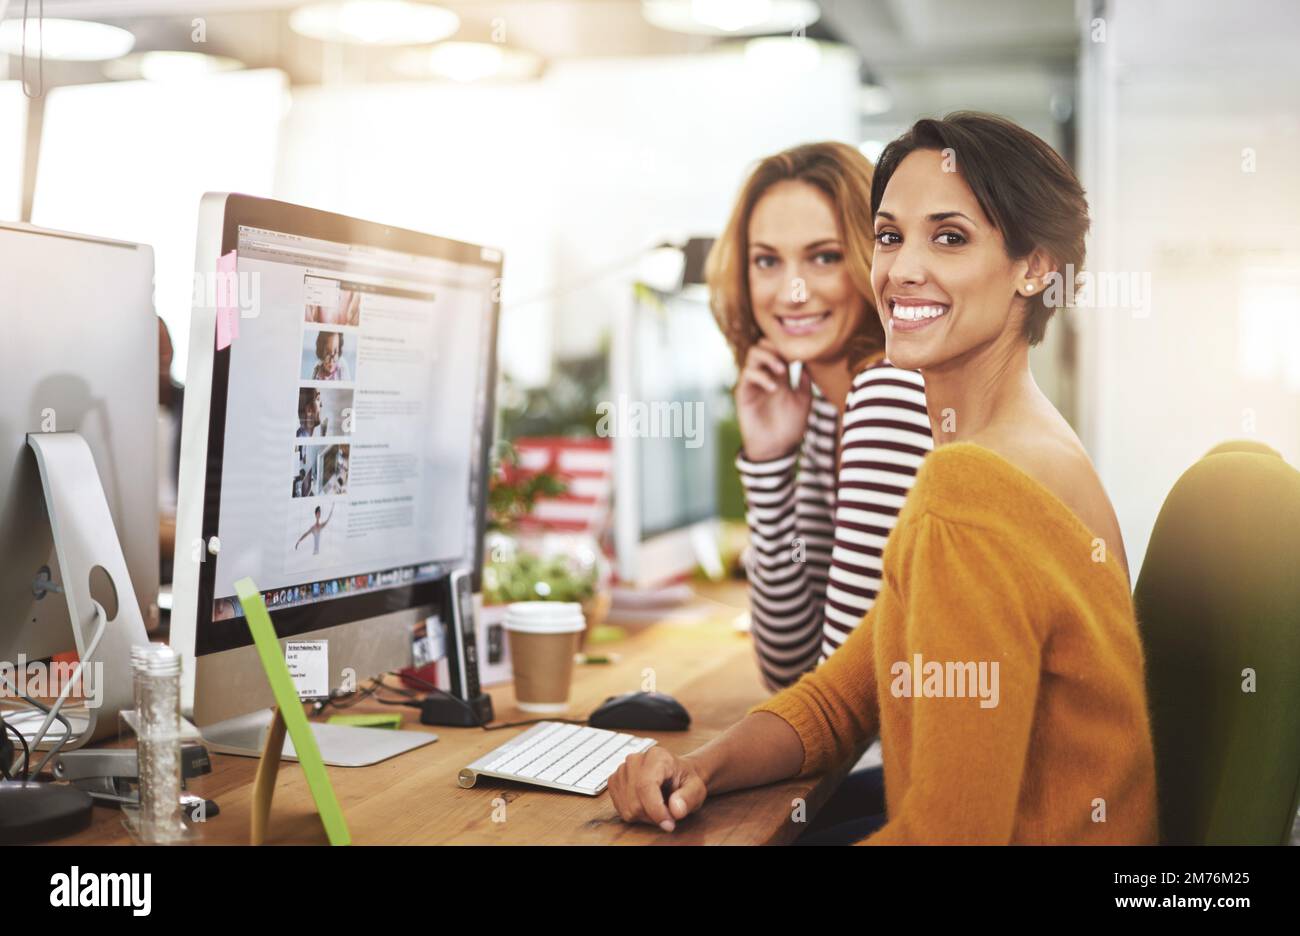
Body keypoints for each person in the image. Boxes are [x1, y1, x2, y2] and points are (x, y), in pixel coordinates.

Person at [610, 113, 1158, 845]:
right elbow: (843, 698)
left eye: (950, 237)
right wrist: (703, 766)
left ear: (1035, 268)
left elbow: (947, 838)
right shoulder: (1013, 447)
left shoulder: (974, 489)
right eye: (892, 236)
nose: (901, 269)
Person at [706, 141, 932, 691]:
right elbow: (789, 664)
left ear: (868, 259)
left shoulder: (890, 394)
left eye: (824, 256)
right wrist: (769, 461)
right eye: (767, 261)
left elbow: (842, 696)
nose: (793, 290)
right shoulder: (835, 407)